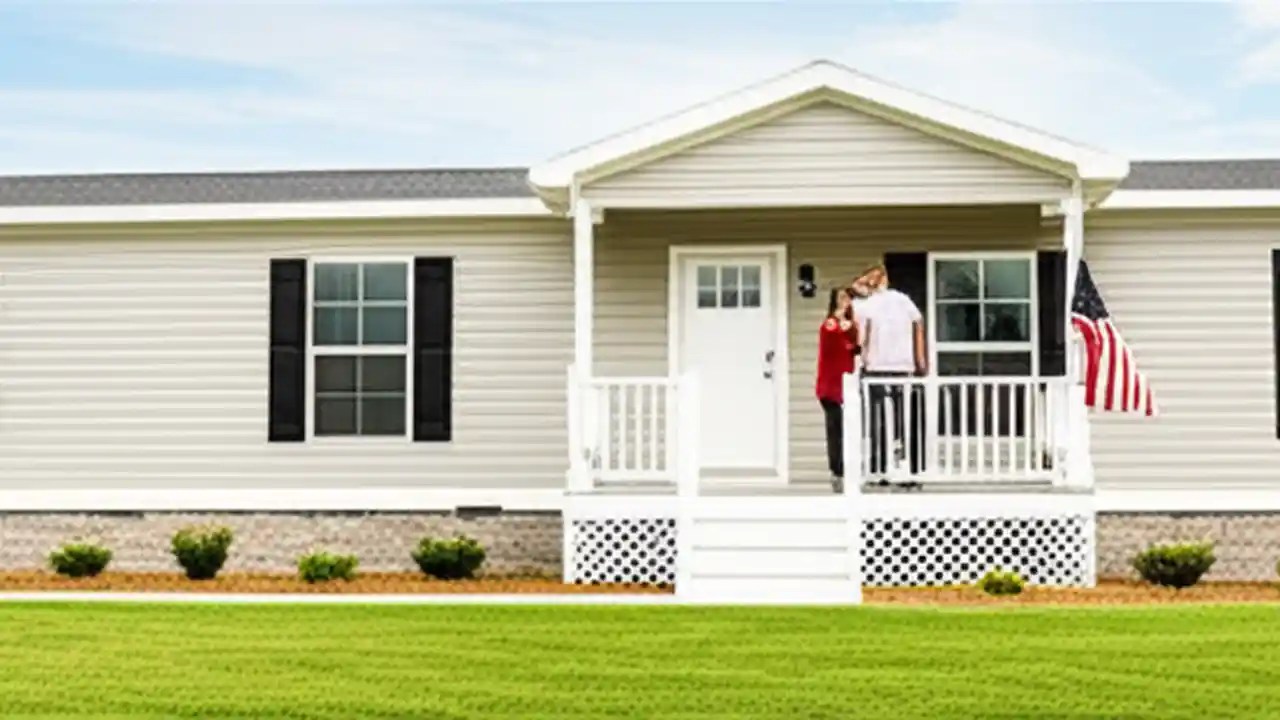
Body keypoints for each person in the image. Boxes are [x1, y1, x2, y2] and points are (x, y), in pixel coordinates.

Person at [858, 265, 927, 482]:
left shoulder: (867, 305)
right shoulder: (904, 301)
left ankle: (880, 467)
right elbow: (918, 325)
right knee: (904, 418)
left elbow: (864, 336)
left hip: (876, 366)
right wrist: (920, 361)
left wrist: (862, 360)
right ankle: (907, 467)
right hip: (903, 366)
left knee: (878, 418)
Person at [815, 287, 859, 492]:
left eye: (849, 298)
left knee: (850, 430)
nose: (846, 301)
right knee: (836, 431)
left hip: (847, 387)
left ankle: (849, 470)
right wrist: (844, 323)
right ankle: (837, 472)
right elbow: (834, 337)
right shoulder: (830, 325)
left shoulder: (851, 326)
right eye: (842, 297)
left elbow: (856, 344)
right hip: (831, 388)